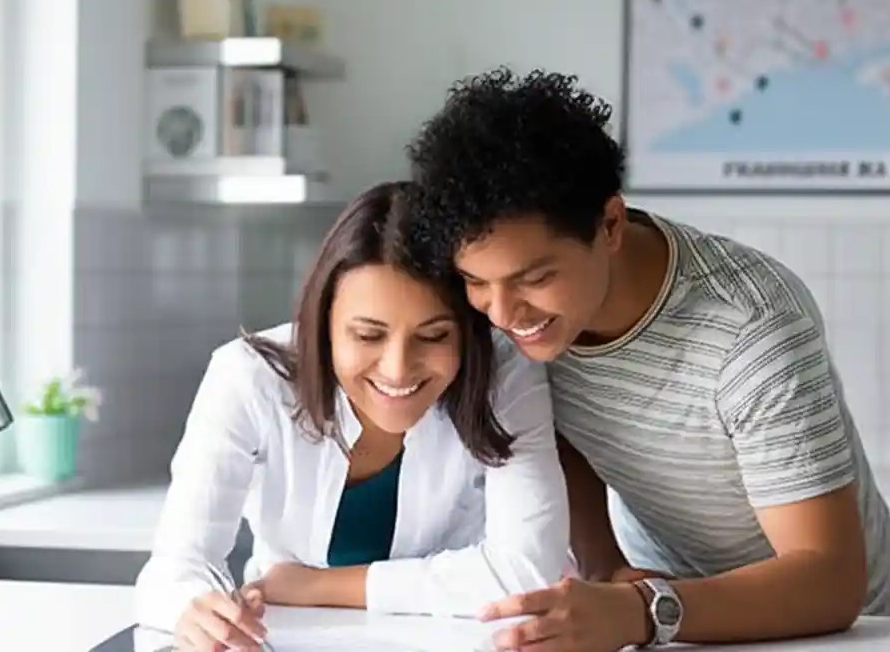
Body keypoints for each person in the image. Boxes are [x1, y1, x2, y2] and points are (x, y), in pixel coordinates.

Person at [406, 69, 890, 651]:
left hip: (824, 630)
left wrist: (643, 609)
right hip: (663, 614)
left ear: (611, 224)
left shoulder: (751, 327)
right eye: (475, 282)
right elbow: (562, 432)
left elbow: (829, 580)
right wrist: (609, 569)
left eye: (536, 278)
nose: (502, 312)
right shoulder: (524, 324)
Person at [133, 181, 570, 651]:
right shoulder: (247, 377)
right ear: (323, 325)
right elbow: (174, 568)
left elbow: (525, 572)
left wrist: (316, 586)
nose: (398, 368)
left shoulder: (503, 373)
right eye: (367, 336)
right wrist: (195, 607)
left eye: (433, 336)